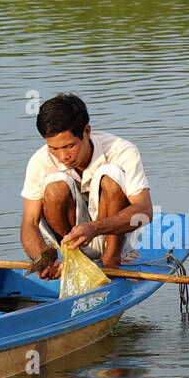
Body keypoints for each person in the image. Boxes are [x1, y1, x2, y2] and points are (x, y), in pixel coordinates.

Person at [20, 94, 152, 281]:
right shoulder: (40, 161)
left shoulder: (121, 150)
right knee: (55, 184)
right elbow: (29, 223)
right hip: (71, 244)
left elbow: (145, 211)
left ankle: (111, 261)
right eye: (54, 149)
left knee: (110, 174)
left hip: (115, 238)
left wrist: (94, 228)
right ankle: (73, 261)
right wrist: (43, 261)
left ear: (87, 131)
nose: (63, 156)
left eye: (69, 146)